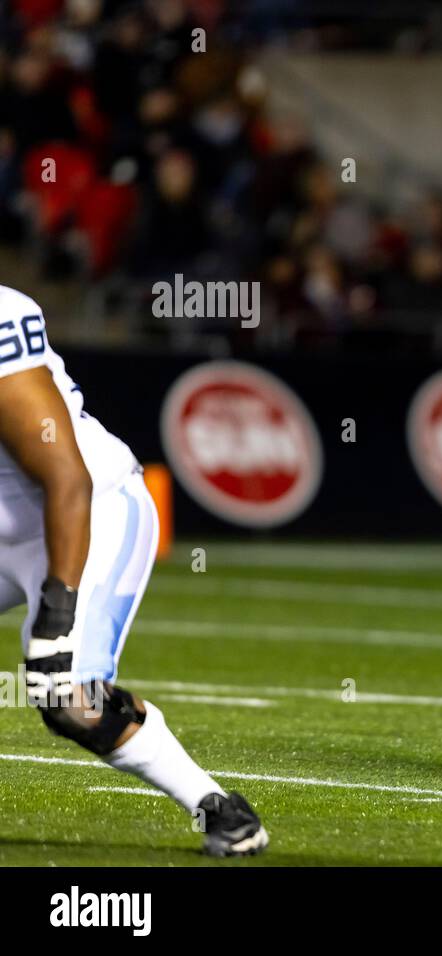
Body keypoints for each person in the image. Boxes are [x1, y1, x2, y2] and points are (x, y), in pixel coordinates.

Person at [0, 284, 268, 855]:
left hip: (87, 509)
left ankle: (217, 808)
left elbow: (65, 478)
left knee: (68, 697)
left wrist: (58, 610)